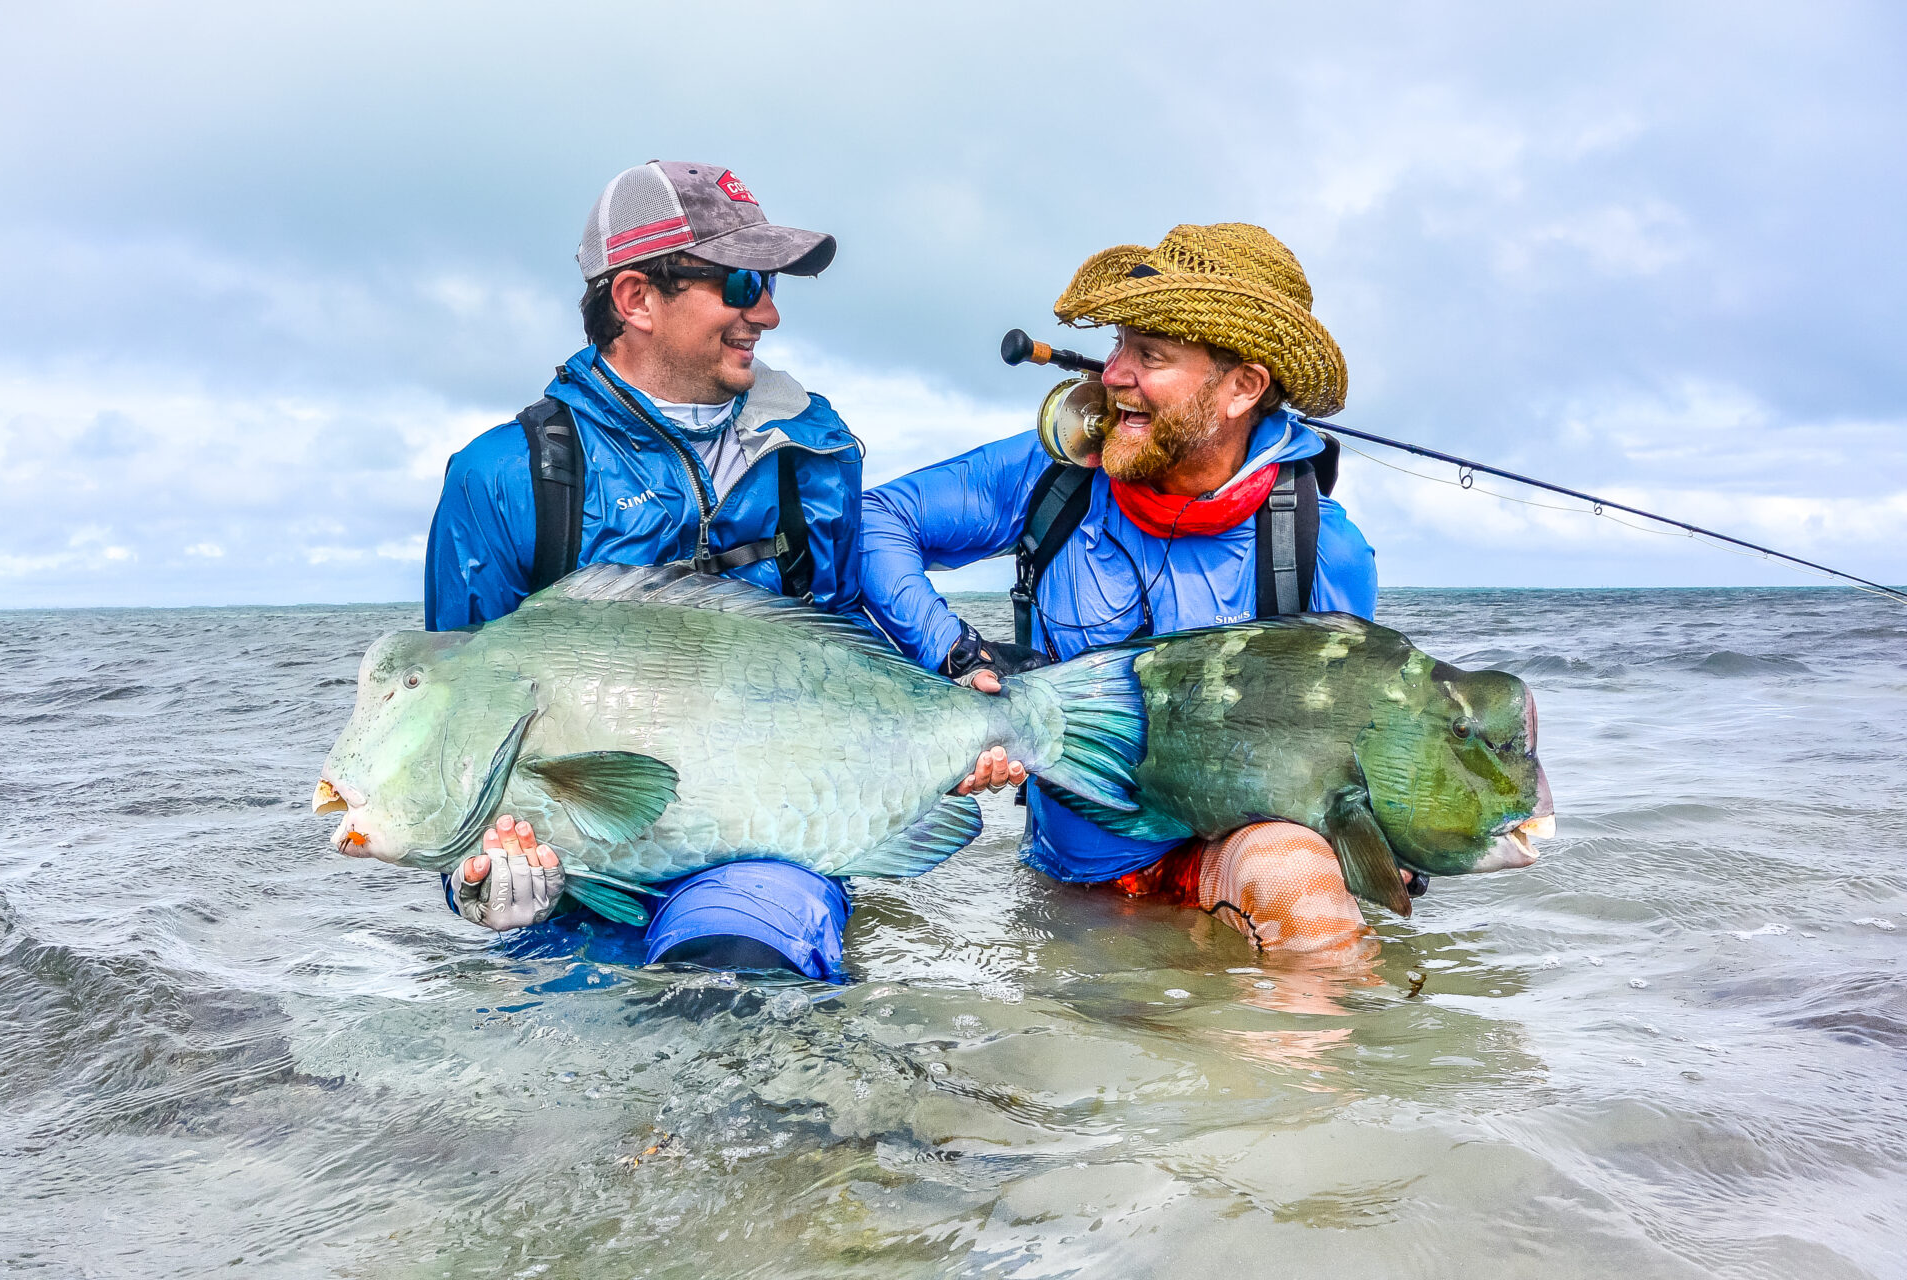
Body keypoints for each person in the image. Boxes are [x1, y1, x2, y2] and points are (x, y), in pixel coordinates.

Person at [861, 222, 1410, 954]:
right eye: (1118, 346)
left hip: (1229, 859)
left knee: (1301, 887)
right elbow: (874, 523)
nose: (1113, 374)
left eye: (1148, 356)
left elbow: (1347, 749)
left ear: (1241, 387)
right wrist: (956, 658)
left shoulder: (1322, 546)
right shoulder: (1048, 477)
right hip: (1073, 881)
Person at [421, 160, 864, 979]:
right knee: (547, 1090)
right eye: (740, 282)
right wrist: (480, 883)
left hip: (763, 862)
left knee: (737, 996)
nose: (765, 312)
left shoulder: (818, 452)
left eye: (769, 285)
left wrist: (955, 730)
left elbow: (842, 654)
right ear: (635, 300)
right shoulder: (502, 477)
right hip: (576, 886)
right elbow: (456, 730)